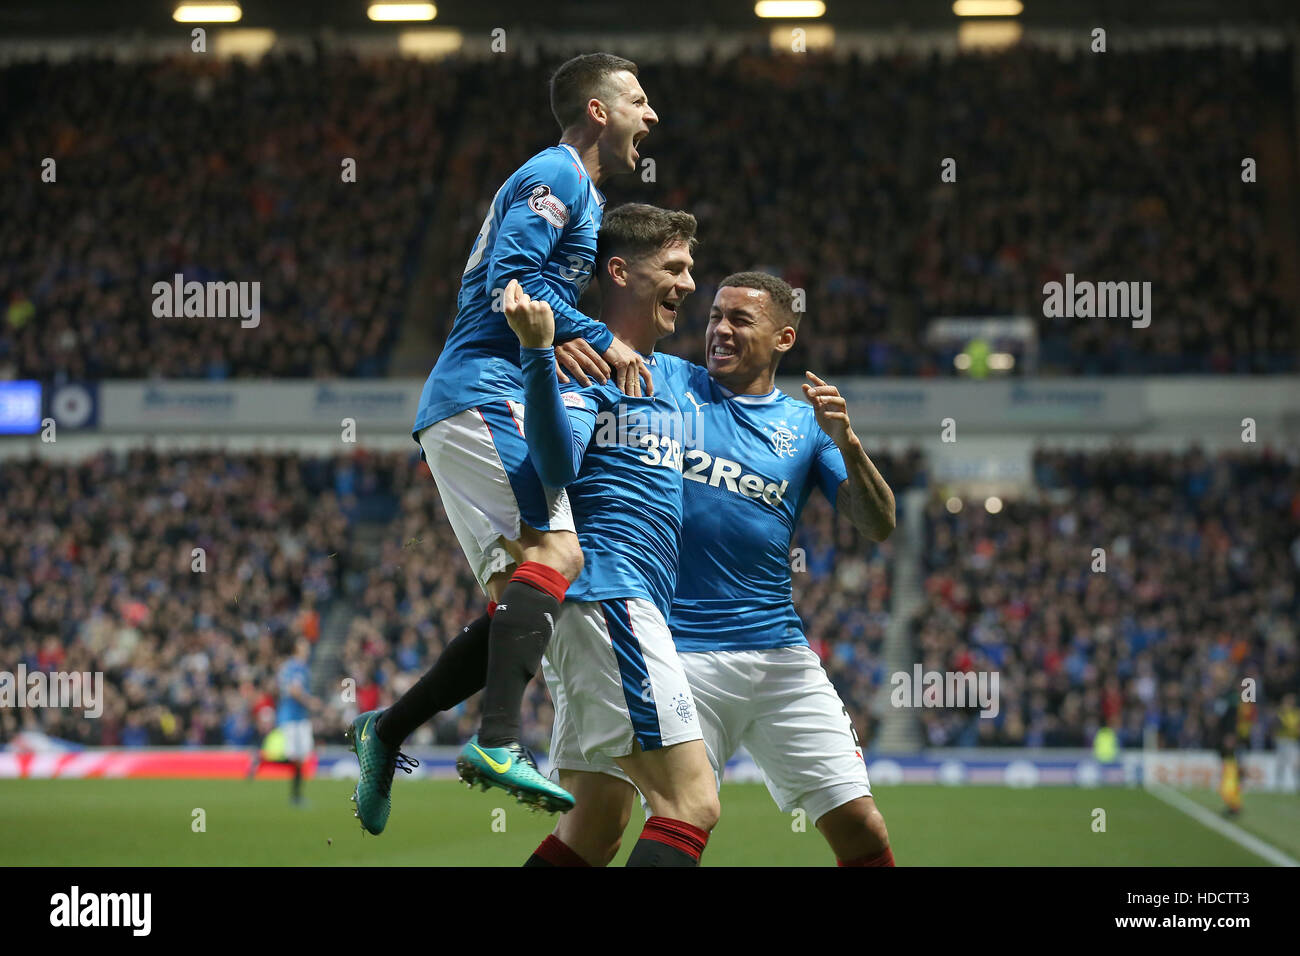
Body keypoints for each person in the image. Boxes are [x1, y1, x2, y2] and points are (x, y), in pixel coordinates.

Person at [346, 53, 659, 833]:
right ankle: (496, 741)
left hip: (485, 398)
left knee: (523, 595)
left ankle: (385, 731)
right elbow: (511, 280)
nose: (650, 117)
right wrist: (596, 335)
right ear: (597, 110)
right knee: (558, 560)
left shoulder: (575, 189)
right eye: (638, 100)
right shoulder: (555, 177)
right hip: (482, 392)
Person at [548, 268, 896, 866]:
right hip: (678, 653)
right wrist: (564, 343)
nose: (720, 330)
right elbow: (600, 347)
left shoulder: (807, 428)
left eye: (740, 319)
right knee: (611, 826)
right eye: (714, 316)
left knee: (864, 828)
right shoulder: (667, 380)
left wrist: (850, 445)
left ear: (783, 339)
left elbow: (878, 522)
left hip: (779, 656)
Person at [511, 203, 720, 865]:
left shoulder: (682, 379)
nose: (690, 284)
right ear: (622, 270)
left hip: (615, 610)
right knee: (691, 803)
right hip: (609, 597)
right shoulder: (583, 364)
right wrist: (543, 353)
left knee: (596, 825)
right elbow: (554, 462)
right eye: (675, 267)